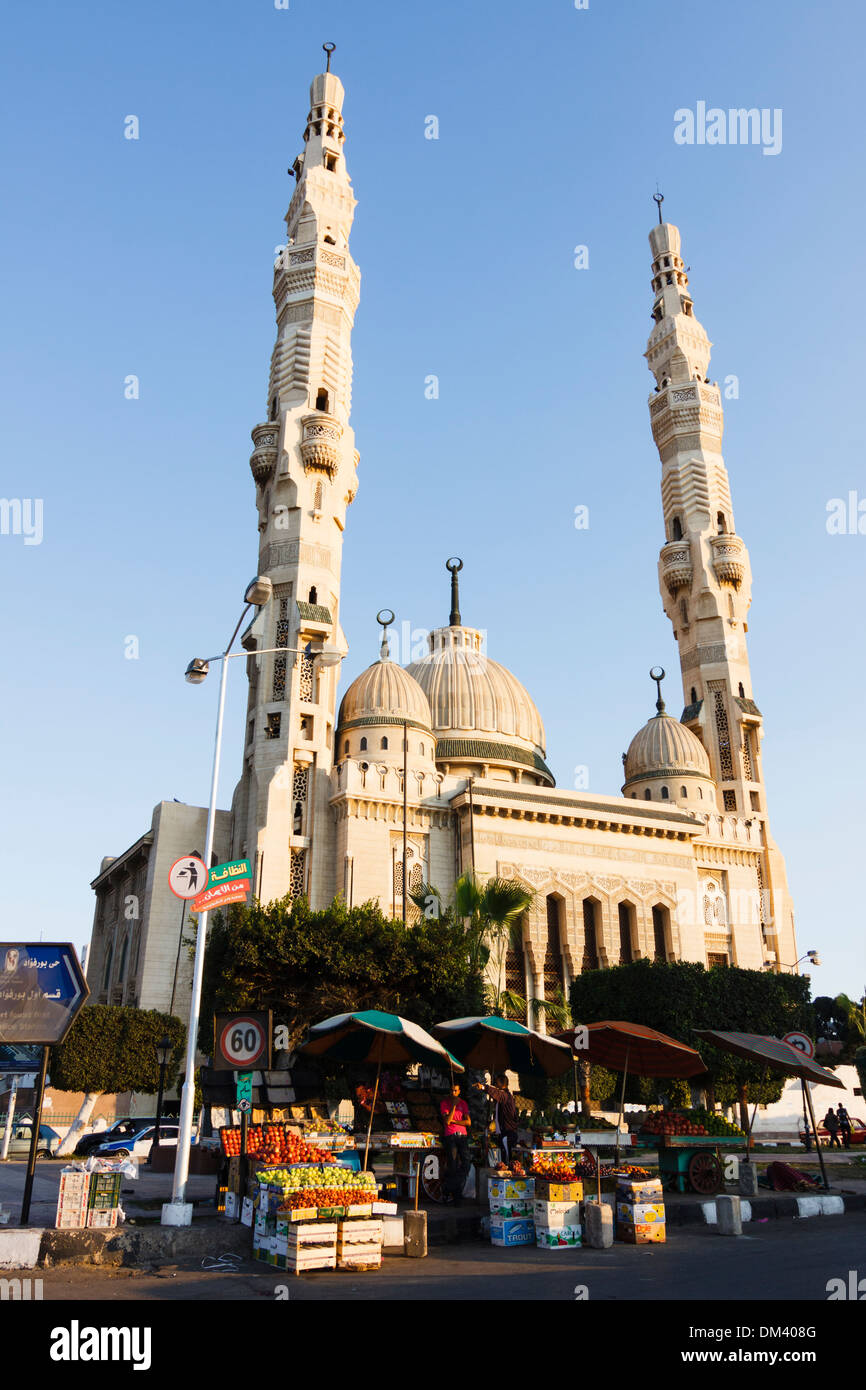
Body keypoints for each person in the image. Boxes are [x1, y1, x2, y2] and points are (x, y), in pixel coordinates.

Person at [474, 1073, 519, 1165]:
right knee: (504, 1158)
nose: (495, 1084)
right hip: (504, 1132)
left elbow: (496, 1093)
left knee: (507, 1159)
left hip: (508, 1133)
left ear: (501, 1083)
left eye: (496, 1082)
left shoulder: (505, 1096)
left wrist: (484, 1087)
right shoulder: (504, 1097)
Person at [439, 1082, 471, 1205]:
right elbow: (447, 1121)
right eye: (451, 1090)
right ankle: (457, 1197)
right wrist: (453, 1107)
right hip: (451, 1136)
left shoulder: (463, 1103)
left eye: (455, 1091)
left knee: (466, 1164)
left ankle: (447, 1188)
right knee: (453, 1166)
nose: (453, 1093)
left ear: (459, 1091)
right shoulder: (445, 1103)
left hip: (462, 1136)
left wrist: (455, 1122)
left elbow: (468, 1122)